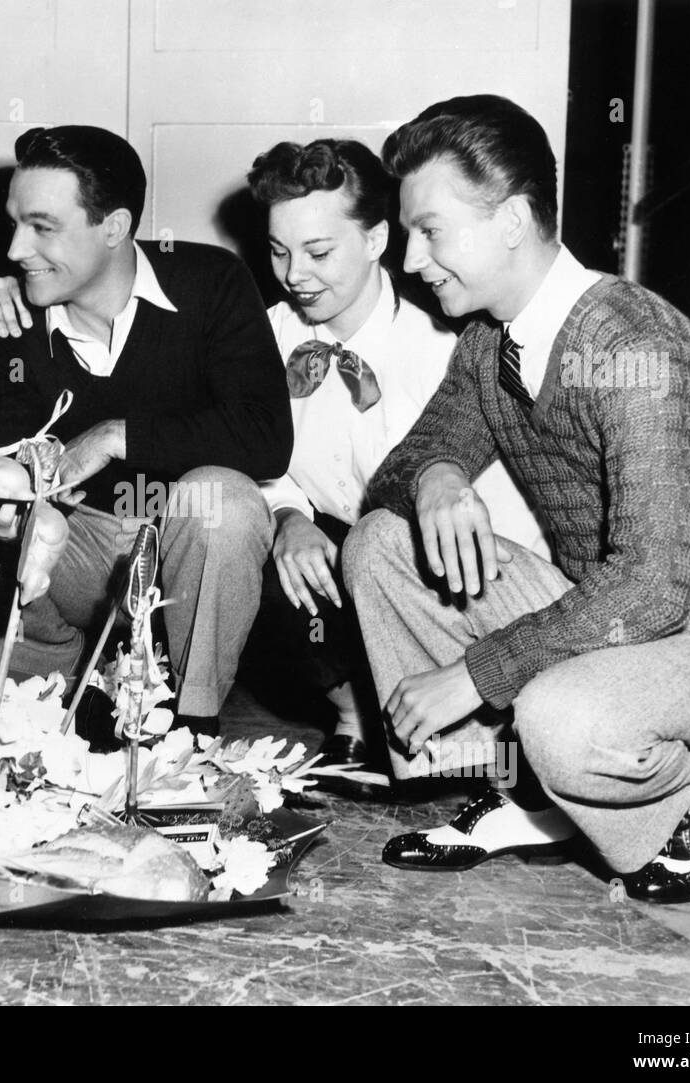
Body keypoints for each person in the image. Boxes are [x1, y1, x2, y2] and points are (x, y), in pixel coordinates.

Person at [343, 95, 690, 902]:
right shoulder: (490, 341)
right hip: (614, 613)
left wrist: (474, 675)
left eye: (431, 231)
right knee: (383, 539)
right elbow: (401, 466)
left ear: (514, 219)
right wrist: (440, 477)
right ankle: (529, 793)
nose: (412, 262)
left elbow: (655, 587)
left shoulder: (634, 346)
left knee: (563, 720)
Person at [0, 125, 292, 730]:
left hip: (179, 541)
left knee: (223, 499)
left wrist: (116, 435)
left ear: (115, 227)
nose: (16, 249)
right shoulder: (4, 316)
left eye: (43, 227)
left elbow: (265, 438)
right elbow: (9, 466)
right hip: (69, 551)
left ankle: (190, 722)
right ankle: (64, 688)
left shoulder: (211, 282)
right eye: (15, 223)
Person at [242, 137, 546, 781]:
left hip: (431, 559)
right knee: (242, 541)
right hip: (327, 553)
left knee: (383, 545)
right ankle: (353, 714)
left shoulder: (448, 337)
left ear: (378, 240)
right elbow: (247, 450)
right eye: (278, 251)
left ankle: (467, 733)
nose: (295, 274)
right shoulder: (264, 336)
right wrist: (288, 515)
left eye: (319, 252)